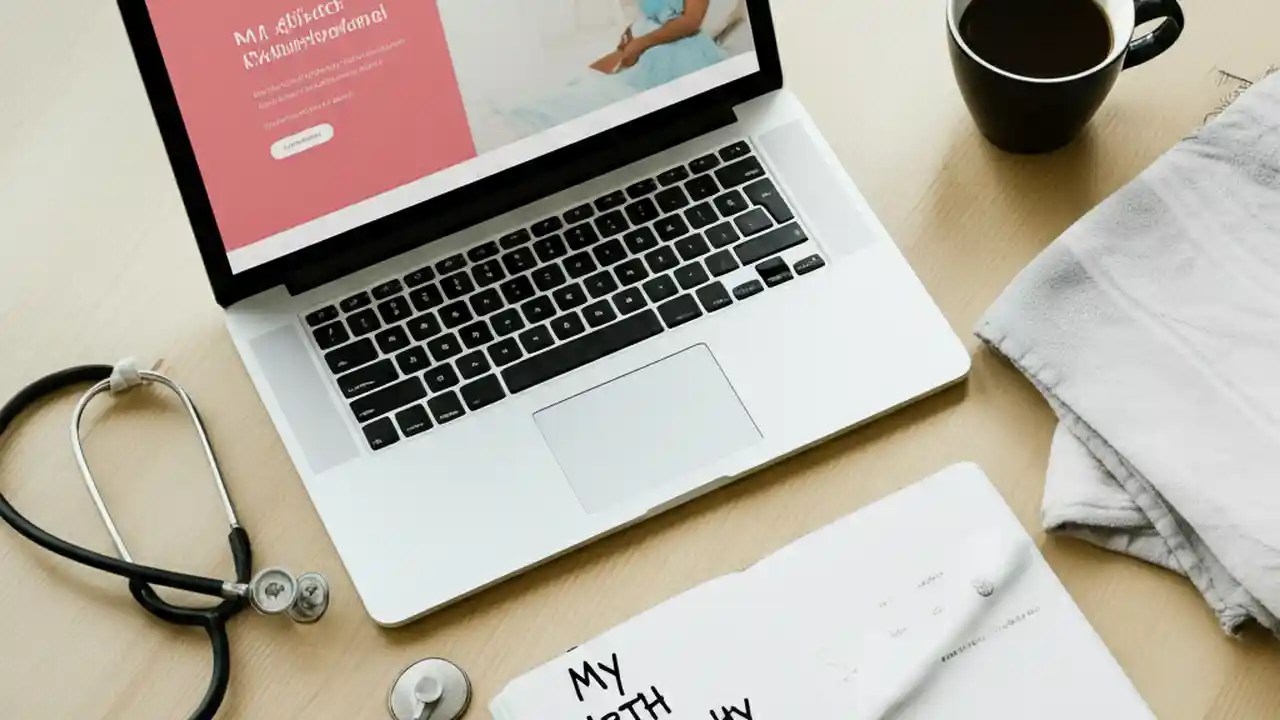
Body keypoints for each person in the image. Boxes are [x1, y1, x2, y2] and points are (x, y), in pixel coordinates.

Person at [502, 0, 728, 134]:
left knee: (616, 99)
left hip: (676, 46)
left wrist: (642, 42)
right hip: (647, 35)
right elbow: (654, 11)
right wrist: (632, 32)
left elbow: (691, 21)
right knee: (587, 80)